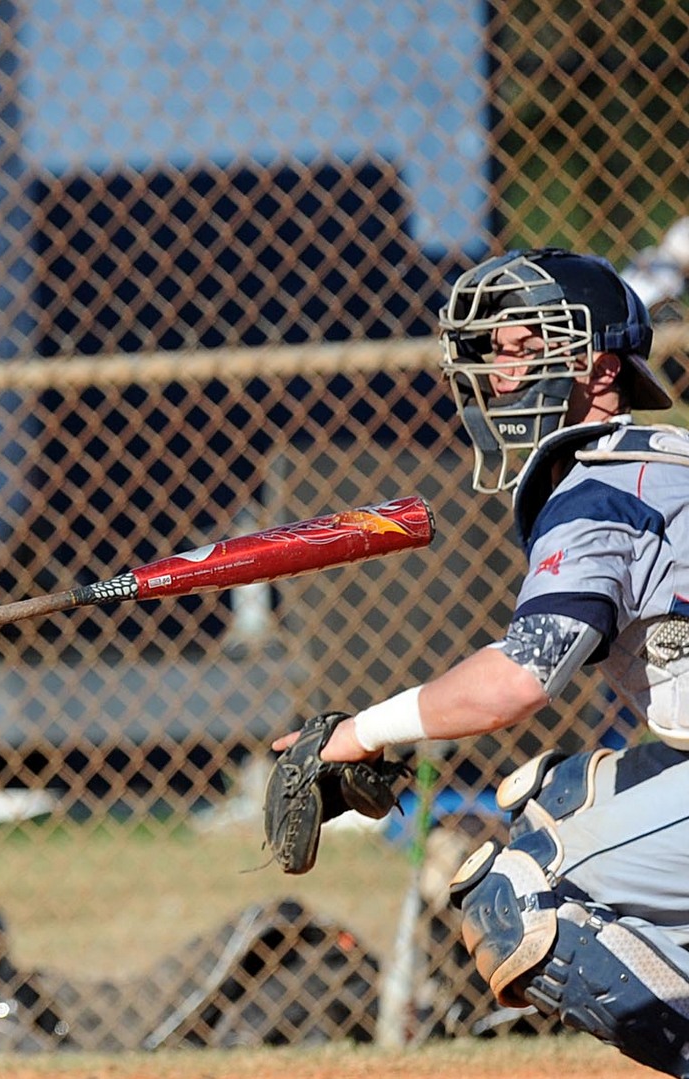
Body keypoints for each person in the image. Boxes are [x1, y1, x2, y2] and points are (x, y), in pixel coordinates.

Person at [273, 247, 689, 1076]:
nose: (497, 370)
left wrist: (358, 731)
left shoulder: (604, 488)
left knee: (519, 893)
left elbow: (516, 680)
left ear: (600, 369)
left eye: (522, 345)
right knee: (561, 801)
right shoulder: (663, 463)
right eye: (492, 348)